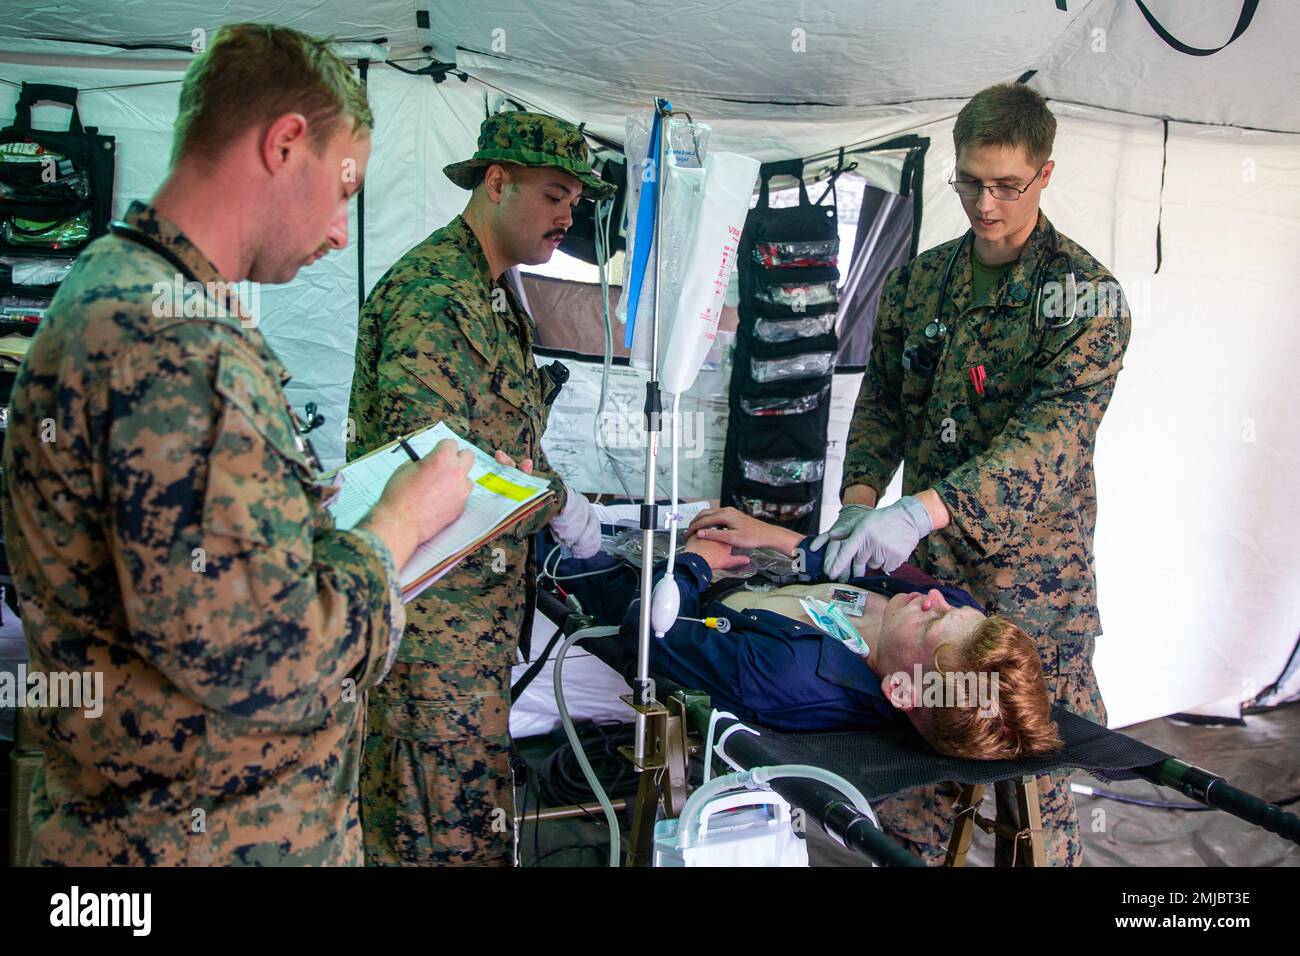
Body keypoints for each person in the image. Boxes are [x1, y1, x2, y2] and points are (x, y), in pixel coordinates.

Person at [1, 23, 474, 866]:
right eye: (343, 192)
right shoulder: (181, 348)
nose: (339, 233)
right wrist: (400, 523)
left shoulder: (119, 284)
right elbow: (270, 662)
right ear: (287, 143)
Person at [814, 83, 1130, 865]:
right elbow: (884, 399)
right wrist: (859, 504)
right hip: (931, 585)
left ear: (1045, 175)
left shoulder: (1086, 299)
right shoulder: (921, 282)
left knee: (1031, 783)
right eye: (969, 182)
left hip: (1032, 589)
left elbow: (1050, 441)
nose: (985, 205)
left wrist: (924, 508)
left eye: (1007, 186)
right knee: (922, 764)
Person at [348, 111, 611, 866]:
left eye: (575, 203)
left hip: (472, 629)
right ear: (496, 182)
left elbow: (503, 439)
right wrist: (558, 500)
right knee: (427, 835)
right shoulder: (437, 297)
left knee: (461, 826)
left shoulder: (493, 294)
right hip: (433, 633)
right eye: (555, 195)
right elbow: (440, 465)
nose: (568, 217)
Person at [545, 506, 1063, 761]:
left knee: (560, 520)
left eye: (932, 619)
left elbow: (647, 634)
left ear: (899, 692)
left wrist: (695, 567)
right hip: (743, 570)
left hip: (658, 590)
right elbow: (884, 574)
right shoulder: (951, 625)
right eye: (949, 606)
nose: (936, 599)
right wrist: (781, 539)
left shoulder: (784, 677)